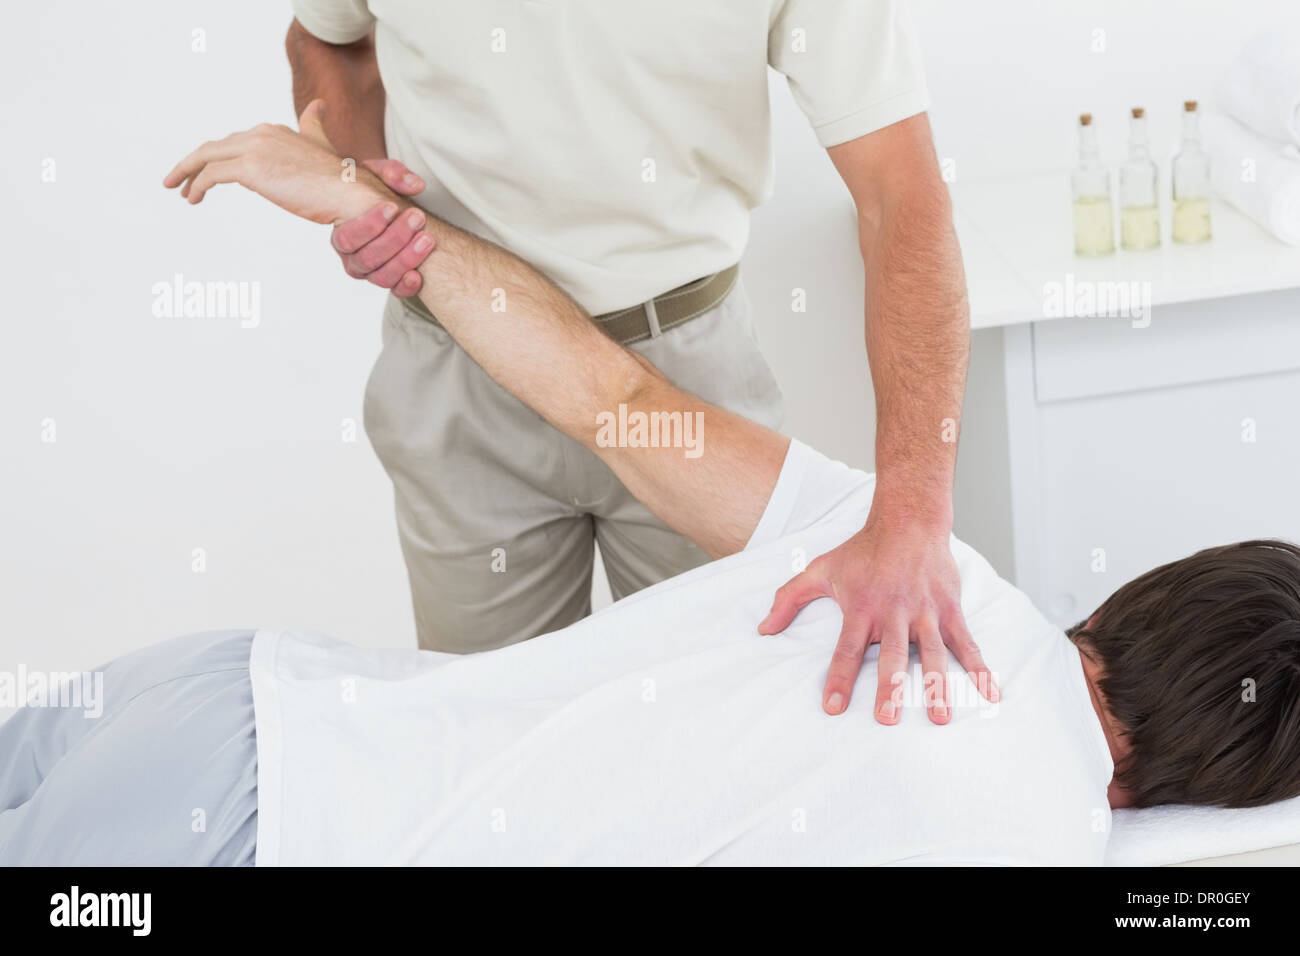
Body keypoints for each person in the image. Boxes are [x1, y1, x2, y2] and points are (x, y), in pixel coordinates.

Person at [3, 114, 1297, 866]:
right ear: (1232, 781)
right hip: (244, 842)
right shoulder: (1028, 840)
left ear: (1149, 597)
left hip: (221, 693)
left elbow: (603, 398)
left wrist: (352, 195)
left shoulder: (912, 557)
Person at [284, 2, 978, 724]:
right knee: (486, 739)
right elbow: (327, 38)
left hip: (688, 379)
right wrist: (357, 177)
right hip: (459, 363)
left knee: (726, 732)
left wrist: (912, 518)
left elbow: (901, 194)